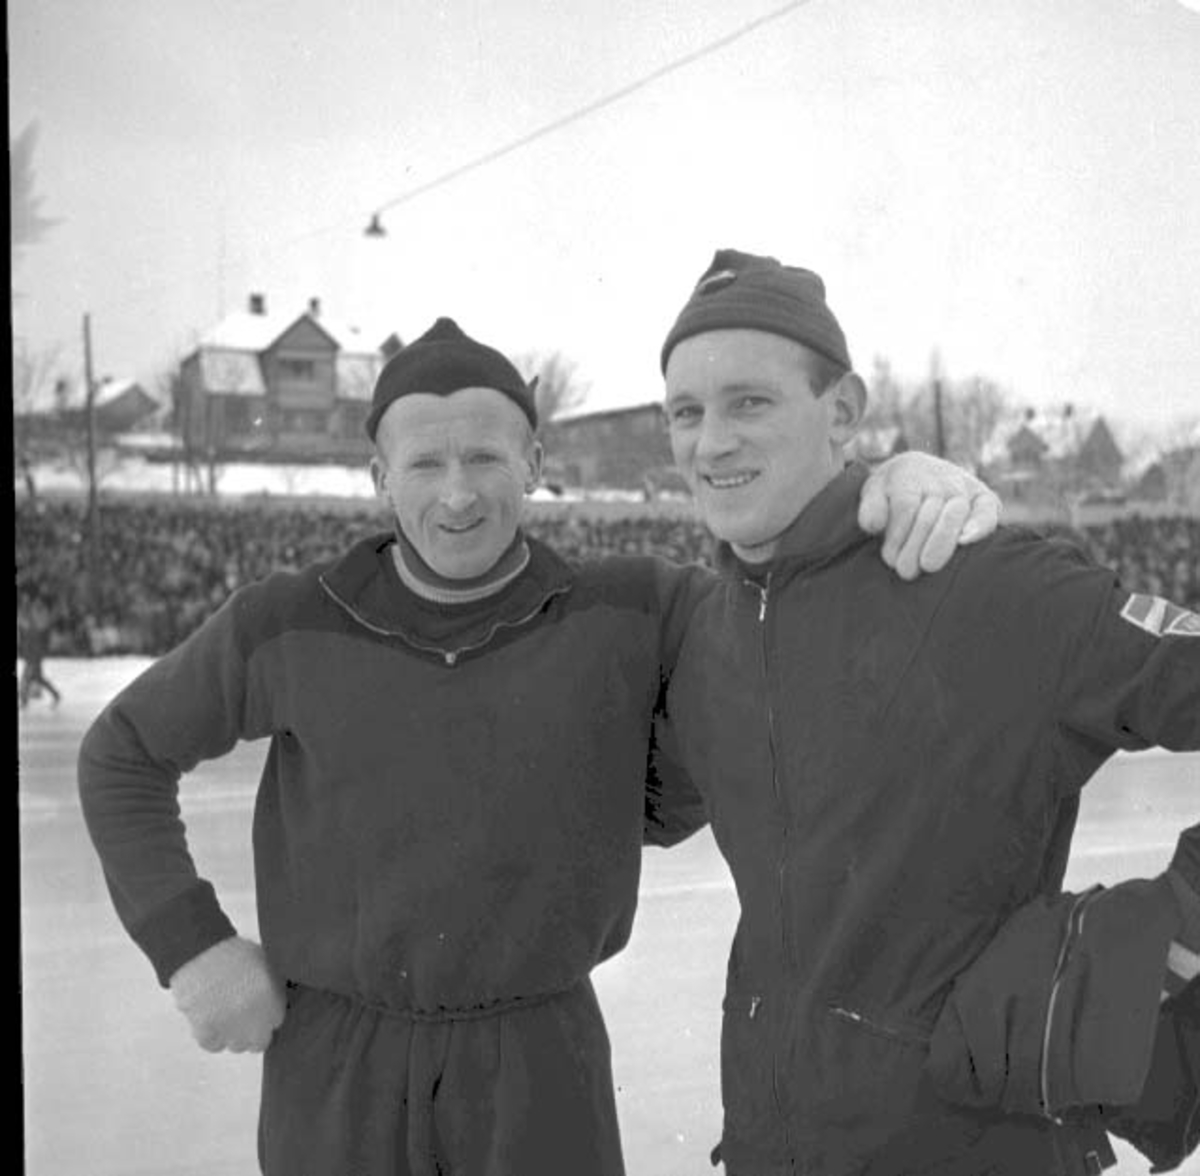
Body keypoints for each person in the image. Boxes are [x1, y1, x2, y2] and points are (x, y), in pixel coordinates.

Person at [77, 315, 997, 1176]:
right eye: (426, 462)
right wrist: (190, 946)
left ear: (534, 463)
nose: (459, 493)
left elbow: (791, 601)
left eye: (486, 457)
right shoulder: (289, 622)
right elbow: (121, 752)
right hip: (335, 1062)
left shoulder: (632, 609)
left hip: (536, 1060)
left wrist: (886, 479)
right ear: (378, 478)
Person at [650, 248, 1200, 1176]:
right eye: (686, 413)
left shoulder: (989, 586)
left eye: (749, 402)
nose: (711, 442)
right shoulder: (707, 638)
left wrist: (1170, 934)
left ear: (844, 411)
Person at [18, 596, 62, 709]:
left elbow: (31, 626)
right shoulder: (31, 622)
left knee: (27, 678)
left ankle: (24, 700)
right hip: (31, 654)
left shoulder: (40, 622)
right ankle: (55, 695)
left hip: (35, 655)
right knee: (37, 678)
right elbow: (22, 622)